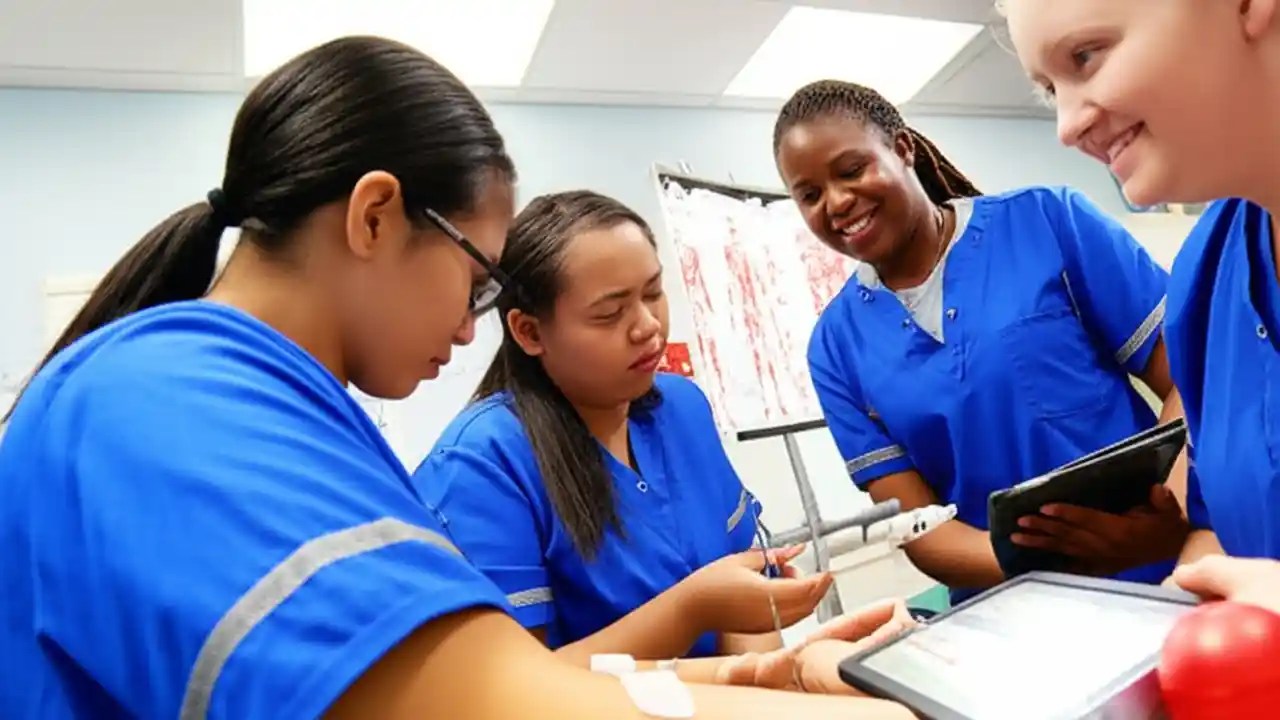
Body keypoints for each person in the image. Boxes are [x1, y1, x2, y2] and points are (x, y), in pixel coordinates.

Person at [0, 36, 917, 720]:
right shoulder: (177, 403)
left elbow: (503, 677)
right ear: (374, 216)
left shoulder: (287, 408)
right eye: (477, 281)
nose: (468, 323)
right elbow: (492, 702)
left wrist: (767, 674)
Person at [771, 79, 1188, 602]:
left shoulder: (1047, 221)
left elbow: (1191, 379)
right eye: (808, 195)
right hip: (1005, 607)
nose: (835, 201)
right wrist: (1048, 561)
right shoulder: (835, 347)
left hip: (1153, 573)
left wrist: (1158, 522)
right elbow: (918, 526)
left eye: (852, 170)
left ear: (903, 149)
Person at [413, 189, 836, 667]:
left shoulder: (681, 408)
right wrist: (690, 610)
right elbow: (507, 688)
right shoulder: (483, 465)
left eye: (653, 292)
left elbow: (742, 602)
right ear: (530, 332)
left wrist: (766, 677)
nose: (648, 326)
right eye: (610, 314)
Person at [999, 0, 1280, 594]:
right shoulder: (1207, 279)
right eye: (1051, 91)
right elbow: (1221, 529)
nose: (1067, 127)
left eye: (1085, 57)